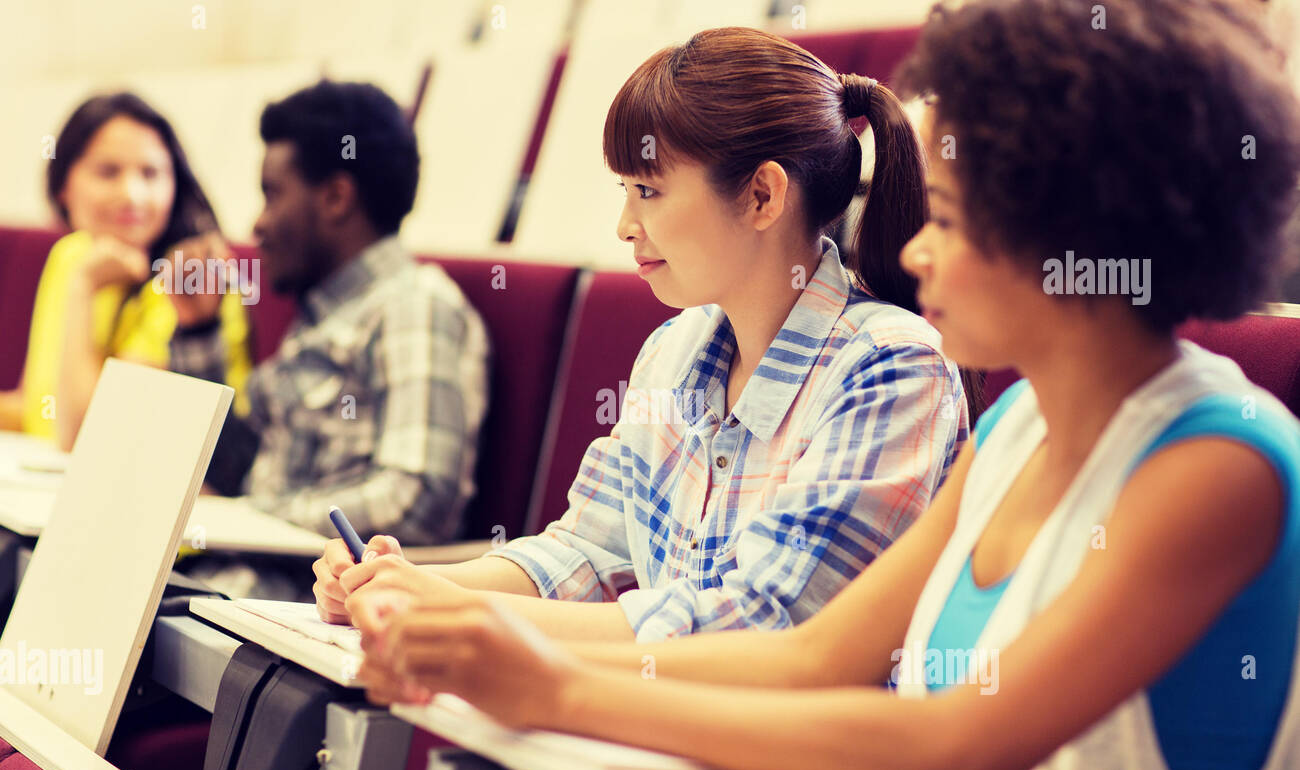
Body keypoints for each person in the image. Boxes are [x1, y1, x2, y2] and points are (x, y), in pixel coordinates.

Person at [354, 0, 1300, 770]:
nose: (916, 254)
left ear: (1074, 239)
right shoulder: (1019, 431)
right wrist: (495, 640)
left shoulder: (1219, 465)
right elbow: (809, 659)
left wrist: (551, 683)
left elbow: (944, 759)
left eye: (954, 220)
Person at [315, 27, 972, 642]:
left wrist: (454, 610)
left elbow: (762, 621)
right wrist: (407, 583)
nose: (625, 225)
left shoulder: (892, 367)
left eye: (649, 191)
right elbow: (586, 554)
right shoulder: (673, 349)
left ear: (763, 197)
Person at [175, 80, 489, 599]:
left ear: (336, 197)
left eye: (272, 194)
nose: (258, 223)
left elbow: (418, 500)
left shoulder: (413, 307)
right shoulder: (324, 308)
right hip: (240, 577)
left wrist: (246, 517)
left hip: (305, 599)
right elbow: (236, 472)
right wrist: (199, 330)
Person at [0, 93, 251, 450]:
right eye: (108, 172)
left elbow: (88, 438)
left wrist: (83, 289)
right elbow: (35, 407)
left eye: (151, 173)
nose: (133, 194)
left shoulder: (192, 280)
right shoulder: (72, 253)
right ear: (63, 186)